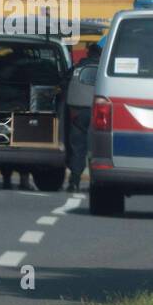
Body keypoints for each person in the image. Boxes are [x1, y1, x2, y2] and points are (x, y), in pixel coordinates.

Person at [64, 41, 101, 192]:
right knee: (98, 148)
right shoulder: (105, 69)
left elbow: (64, 83)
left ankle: (74, 180)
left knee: (78, 147)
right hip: (98, 113)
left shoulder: (77, 68)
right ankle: (98, 182)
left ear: (87, 53)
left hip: (77, 112)